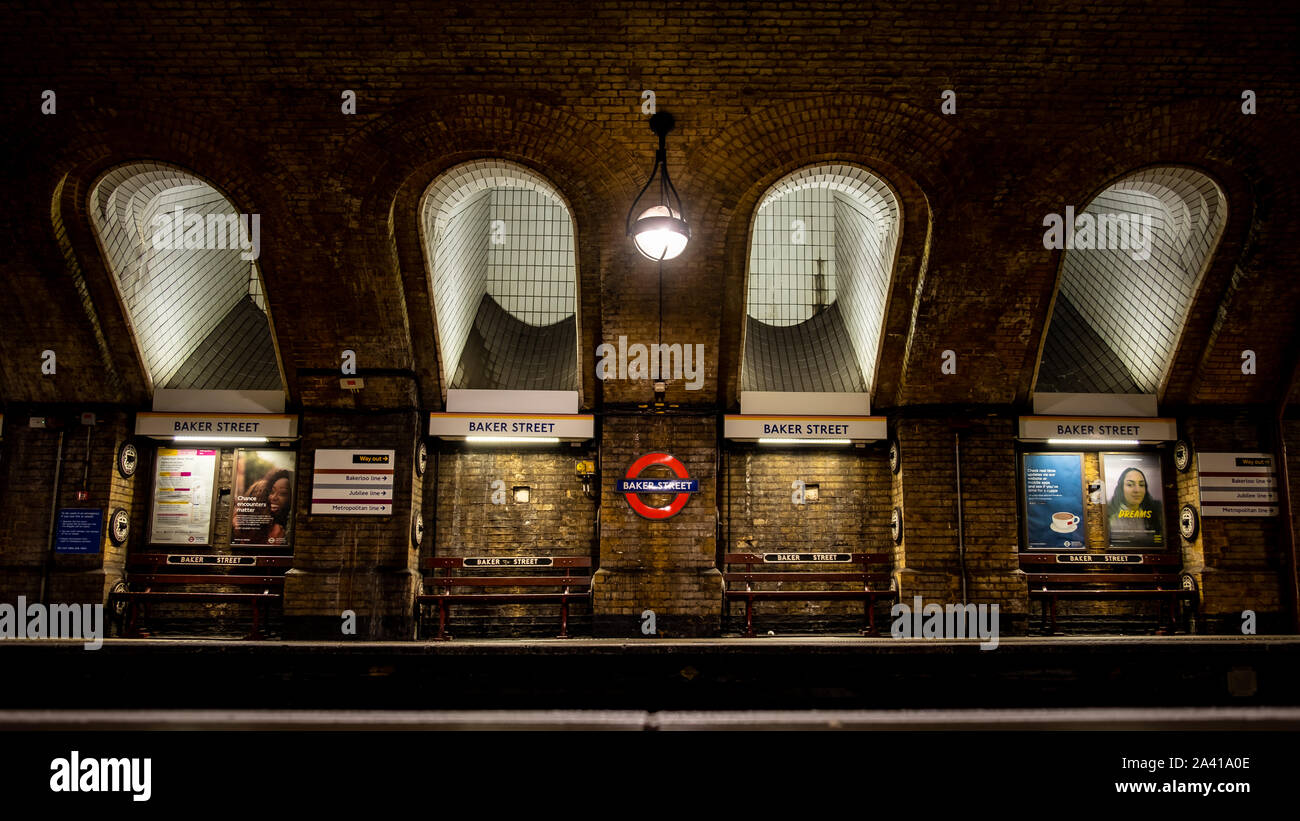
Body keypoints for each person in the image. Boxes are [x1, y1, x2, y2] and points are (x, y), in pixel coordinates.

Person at [233, 468, 293, 546]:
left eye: (283, 494)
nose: (273, 498)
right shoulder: (276, 529)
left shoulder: (239, 521)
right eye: (271, 492)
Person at [1106, 466, 1163, 545]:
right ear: (1121, 488)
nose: (1137, 490)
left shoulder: (1156, 511)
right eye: (1130, 485)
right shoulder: (1109, 512)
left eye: (1141, 485)